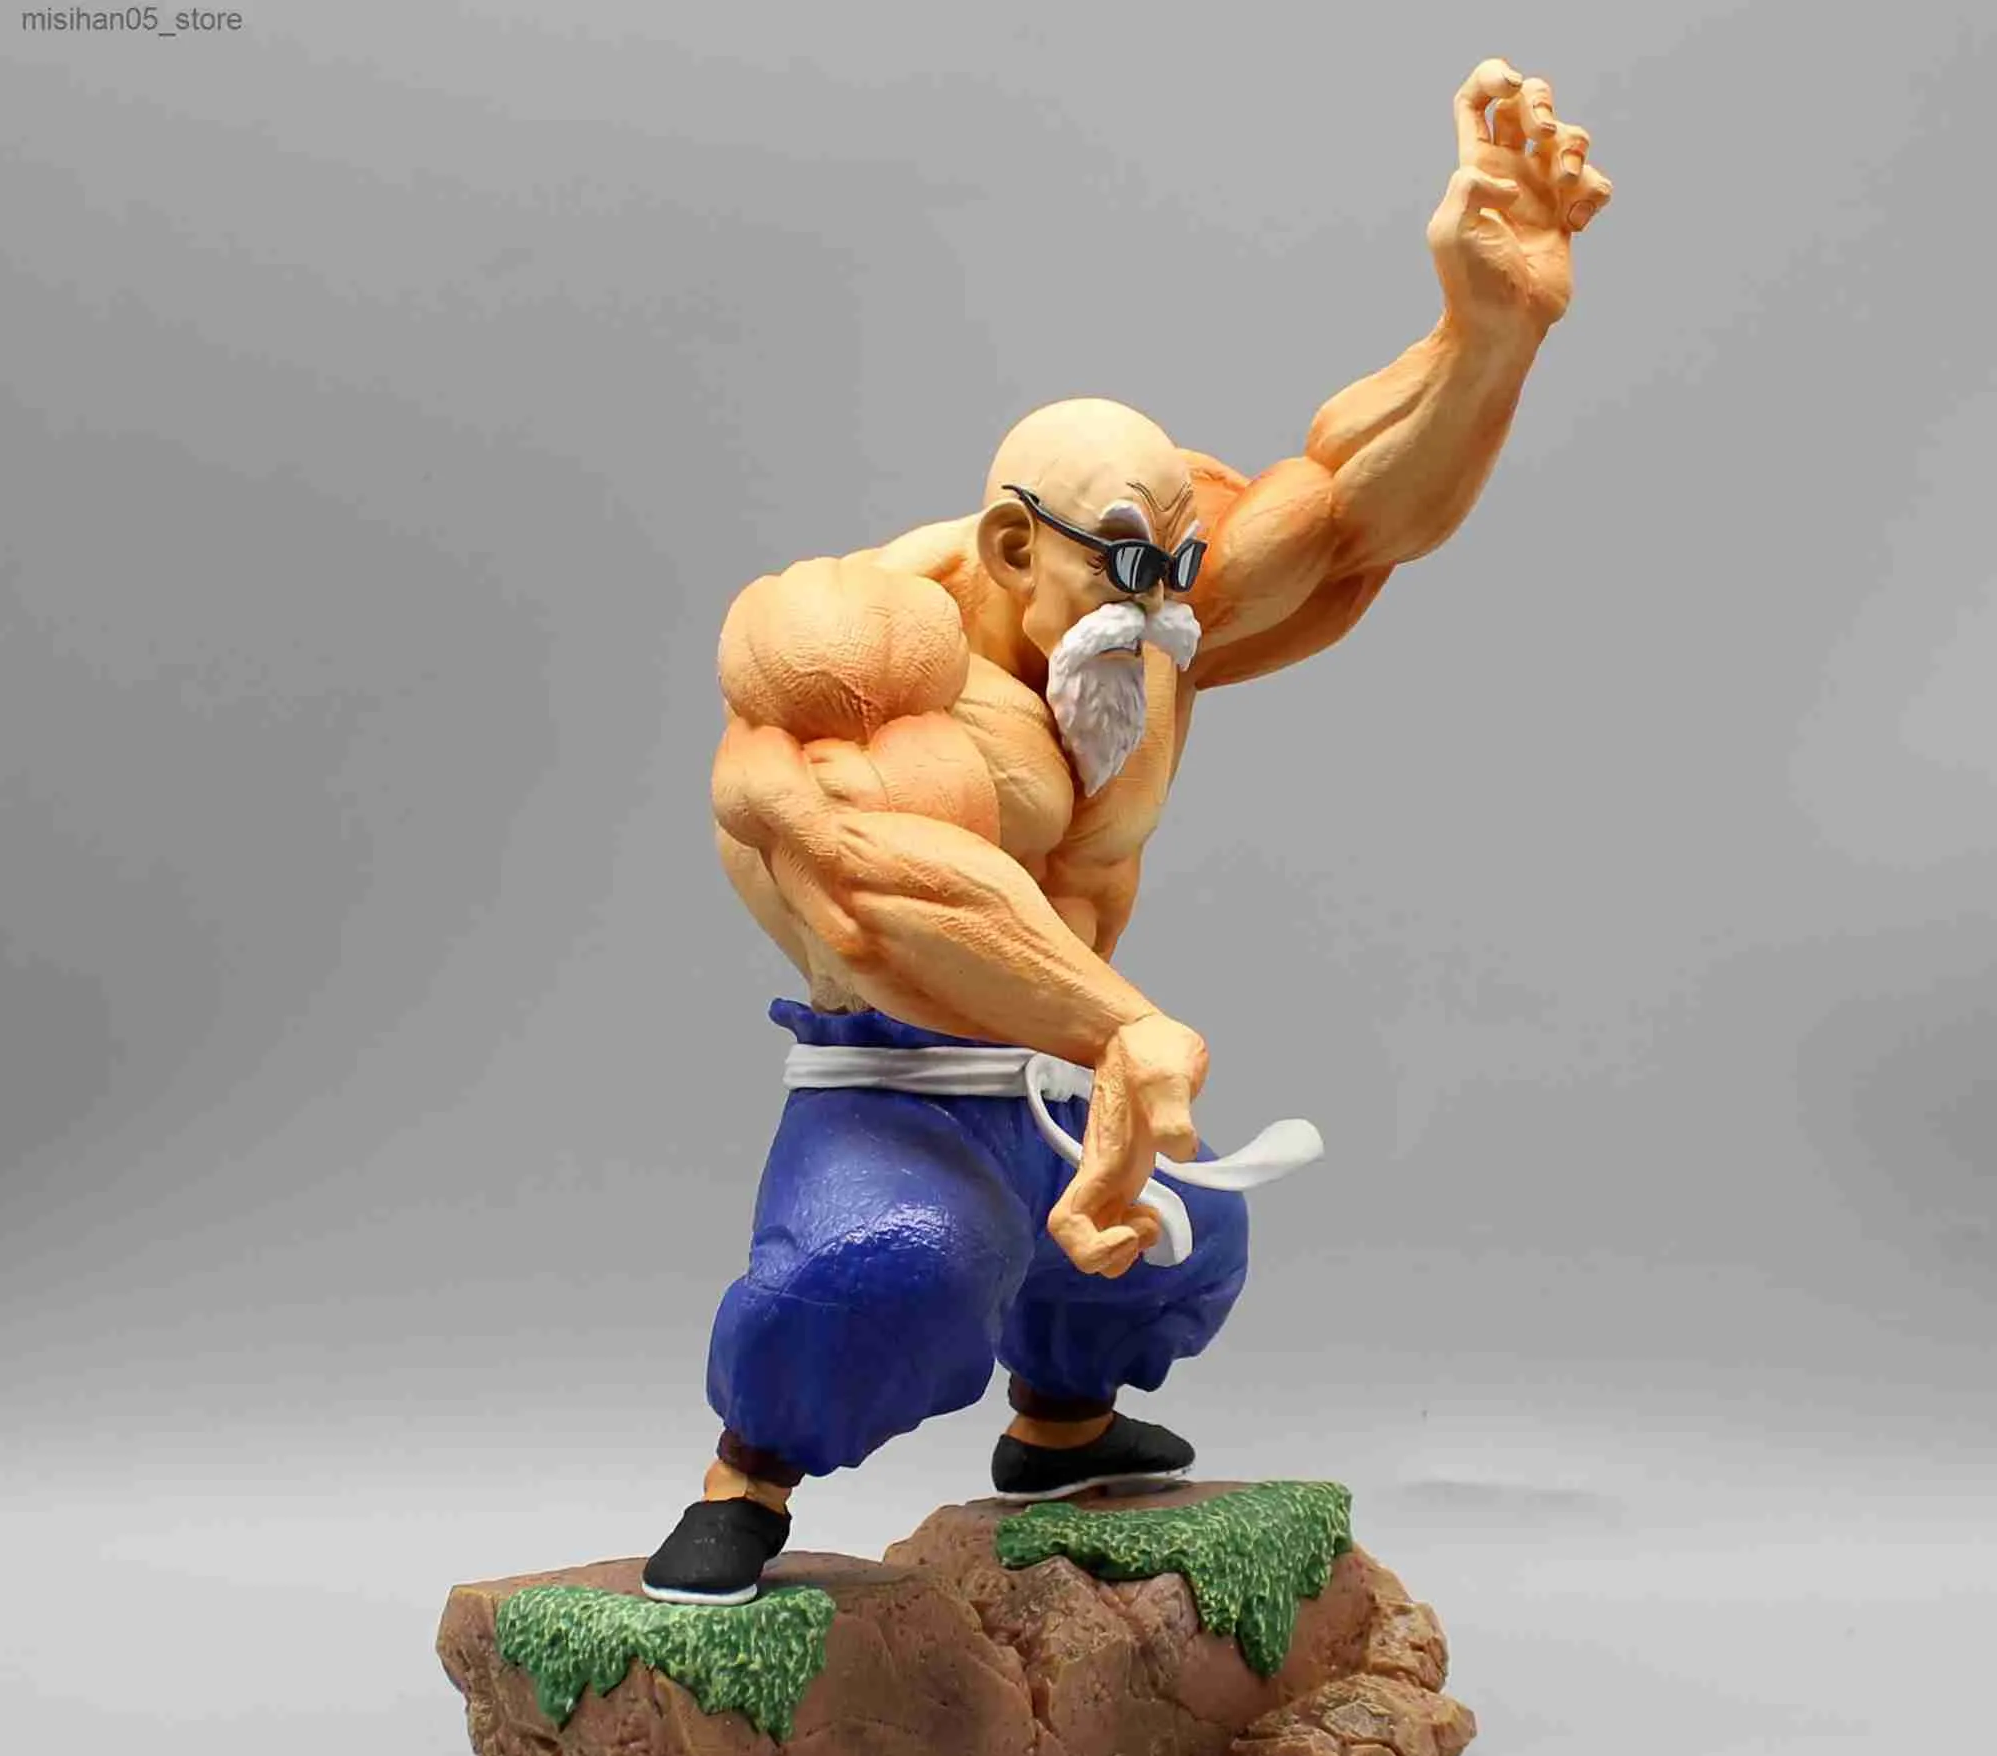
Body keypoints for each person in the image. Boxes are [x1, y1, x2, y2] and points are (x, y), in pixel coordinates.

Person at [645, 58, 1612, 1603]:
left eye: (1178, 569)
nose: (1165, 608)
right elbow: (886, 891)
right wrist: (1126, 1026)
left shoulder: (1142, 601)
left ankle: (1062, 1426)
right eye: (1124, 569)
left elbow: (1348, 518)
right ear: (1010, 543)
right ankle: (744, 1480)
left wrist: (1490, 331)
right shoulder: (857, 651)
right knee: (886, 1274)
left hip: (1066, 1069)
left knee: (1185, 1240)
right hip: (897, 1083)